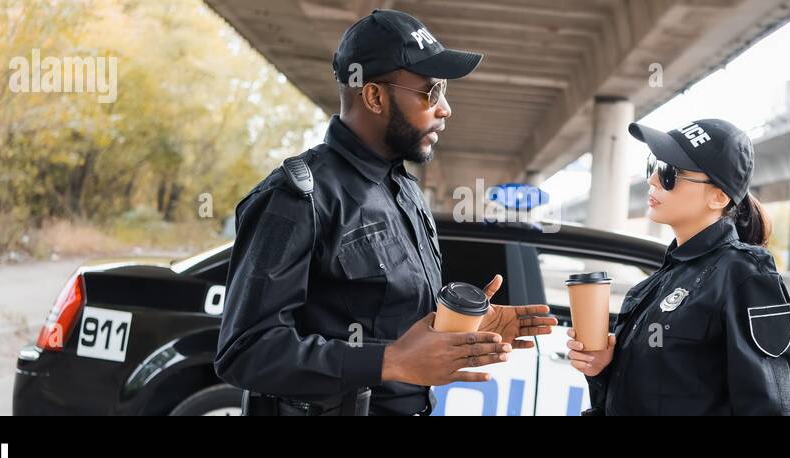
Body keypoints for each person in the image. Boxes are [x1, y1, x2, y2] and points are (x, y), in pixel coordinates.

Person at [215, 9, 556, 416]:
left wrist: (461, 327)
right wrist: (390, 362)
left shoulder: (406, 191)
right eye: (430, 92)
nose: (445, 108)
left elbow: (389, 322)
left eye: (443, 89)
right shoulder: (297, 197)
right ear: (374, 96)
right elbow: (245, 352)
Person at [566, 119, 790, 416]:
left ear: (718, 196)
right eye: (654, 165)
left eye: (669, 173)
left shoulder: (746, 276)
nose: (652, 179)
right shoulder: (648, 288)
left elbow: (773, 410)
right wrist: (601, 369)